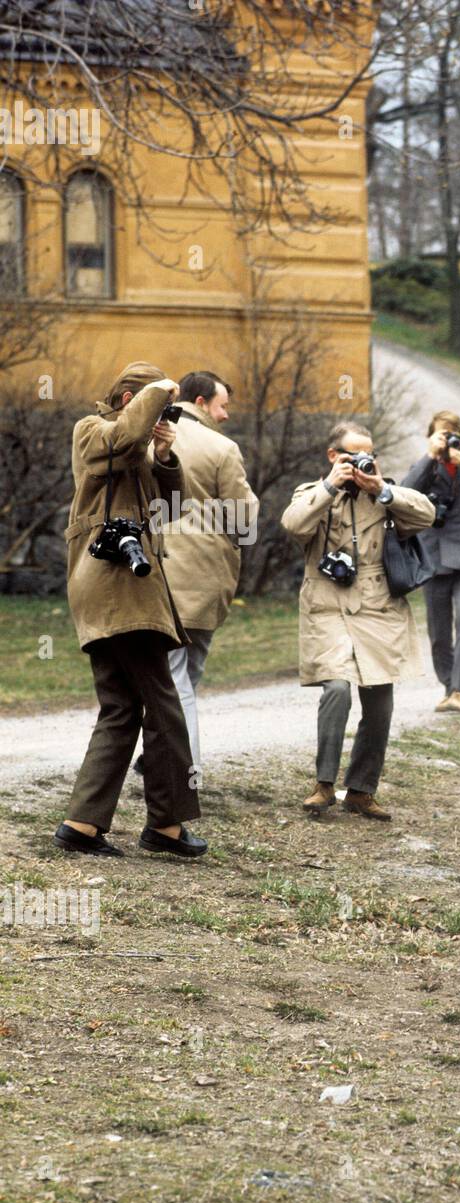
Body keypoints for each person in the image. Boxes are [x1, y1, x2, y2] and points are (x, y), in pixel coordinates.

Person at [55, 361, 207, 859]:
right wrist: (165, 389)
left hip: (124, 591)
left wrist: (164, 455)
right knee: (165, 706)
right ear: (129, 400)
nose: (163, 415)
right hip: (114, 588)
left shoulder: (136, 450)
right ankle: (165, 825)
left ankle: (82, 823)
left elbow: (174, 506)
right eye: (158, 407)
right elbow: (120, 439)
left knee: (121, 708)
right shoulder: (94, 431)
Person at [281, 420, 438, 820]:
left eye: (369, 454)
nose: (361, 462)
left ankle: (362, 789)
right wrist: (332, 485)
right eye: (352, 455)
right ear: (333, 456)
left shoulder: (385, 496)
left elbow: (426, 515)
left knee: (380, 701)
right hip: (328, 602)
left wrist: (381, 488)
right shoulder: (314, 493)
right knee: (336, 689)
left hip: (377, 604)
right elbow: (293, 524)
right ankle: (324, 784)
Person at [138, 369, 258, 779]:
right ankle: (185, 769)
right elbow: (246, 520)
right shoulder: (222, 448)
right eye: (222, 405)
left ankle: (164, 755)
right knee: (183, 676)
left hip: (149, 570)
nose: (226, 415)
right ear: (202, 402)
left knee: (170, 676)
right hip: (202, 580)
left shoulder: (142, 435)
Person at [399, 409, 460, 713]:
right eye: (441, 435)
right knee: (439, 630)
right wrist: (431, 458)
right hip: (434, 557)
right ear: (431, 437)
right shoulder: (425, 464)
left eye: (451, 435)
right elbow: (404, 493)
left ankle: (459, 691)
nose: (447, 442)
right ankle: (448, 686)